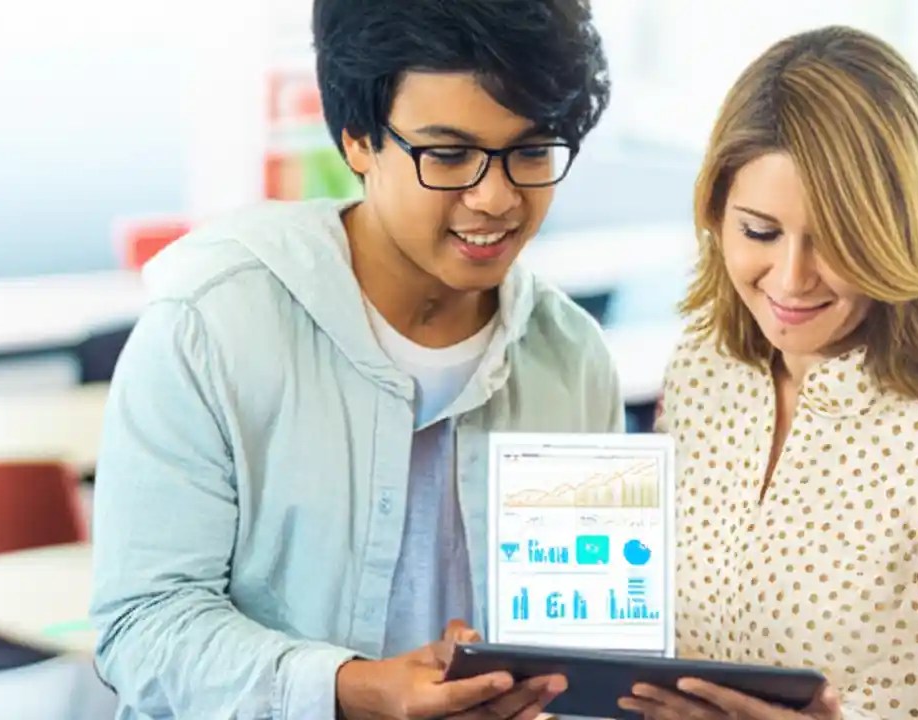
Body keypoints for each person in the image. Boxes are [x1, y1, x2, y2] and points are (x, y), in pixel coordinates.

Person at [89, 1, 619, 718]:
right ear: (358, 140)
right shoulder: (212, 324)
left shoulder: (572, 356)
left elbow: (580, 648)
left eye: (530, 151)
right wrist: (350, 690)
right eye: (449, 155)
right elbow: (143, 629)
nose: (495, 198)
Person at [625, 26, 918, 720]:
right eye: (759, 232)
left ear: (898, 231)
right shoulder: (705, 369)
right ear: (715, 215)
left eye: (836, 241)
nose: (790, 279)